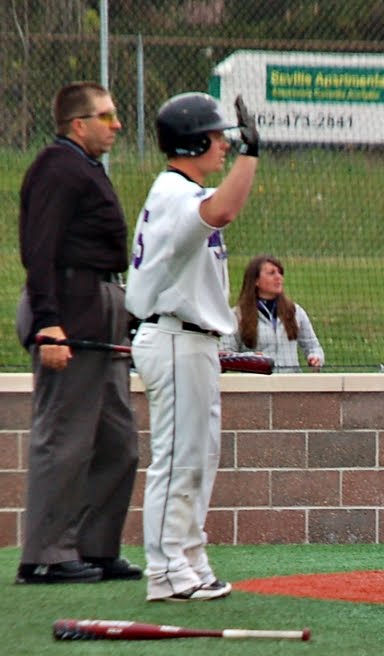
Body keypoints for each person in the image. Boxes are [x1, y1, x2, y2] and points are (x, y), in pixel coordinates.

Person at [125, 91, 259, 602]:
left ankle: (189, 558)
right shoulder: (175, 192)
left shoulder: (179, 190)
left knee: (199, 457)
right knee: (179, 459)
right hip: (174, 336)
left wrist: (246, 153)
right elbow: (223, 210)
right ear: (194, 139)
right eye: (217, 134)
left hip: (190, 339)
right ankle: (164, 571)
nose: (224, 142)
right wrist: (252, 154)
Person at [15, 82, 140, 584]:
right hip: (69, 310)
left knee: (118, 442)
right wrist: (48, 324)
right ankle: (45, 554)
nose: (116, 125)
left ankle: (93, 547)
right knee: (63, 438)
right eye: (106, 116)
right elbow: (38, 248)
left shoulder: (84, 167)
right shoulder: (56, 167)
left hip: (100, 309)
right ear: (78, 123)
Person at [221, 254, 325, 372]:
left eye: (280, 273)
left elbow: (313, 347)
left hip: (291, 385)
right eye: (272, 273)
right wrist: (251, 359)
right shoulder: (237, 315)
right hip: (255, 386)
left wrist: (315, 358)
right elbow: (225, 355)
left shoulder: (295, 312)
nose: (278, 277)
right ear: (256, 281)